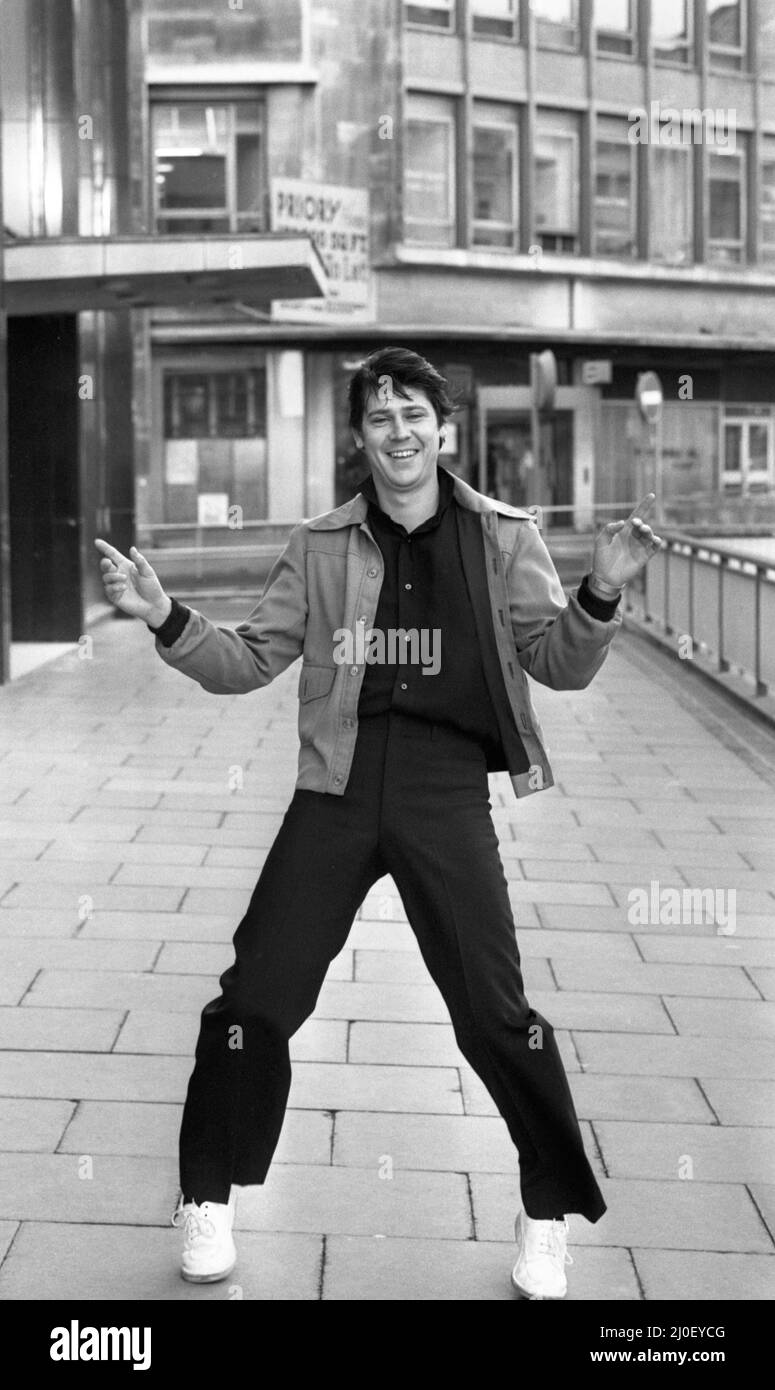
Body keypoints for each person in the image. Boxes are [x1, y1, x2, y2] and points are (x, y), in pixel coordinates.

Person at [95, 346, 662, 1300]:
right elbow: (250, 660)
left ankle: (545, 1217)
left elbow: (557, 665)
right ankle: (207, 1196)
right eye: (379, 417)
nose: (399, 432)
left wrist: (599, 590)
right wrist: (166, 618)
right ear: (359, 437)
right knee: (256, 997)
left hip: (445, 790)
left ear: (443, 430)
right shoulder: (320, 544)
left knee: (493, 1013)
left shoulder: (503, 536)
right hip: (338, 786)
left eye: (414, 415)